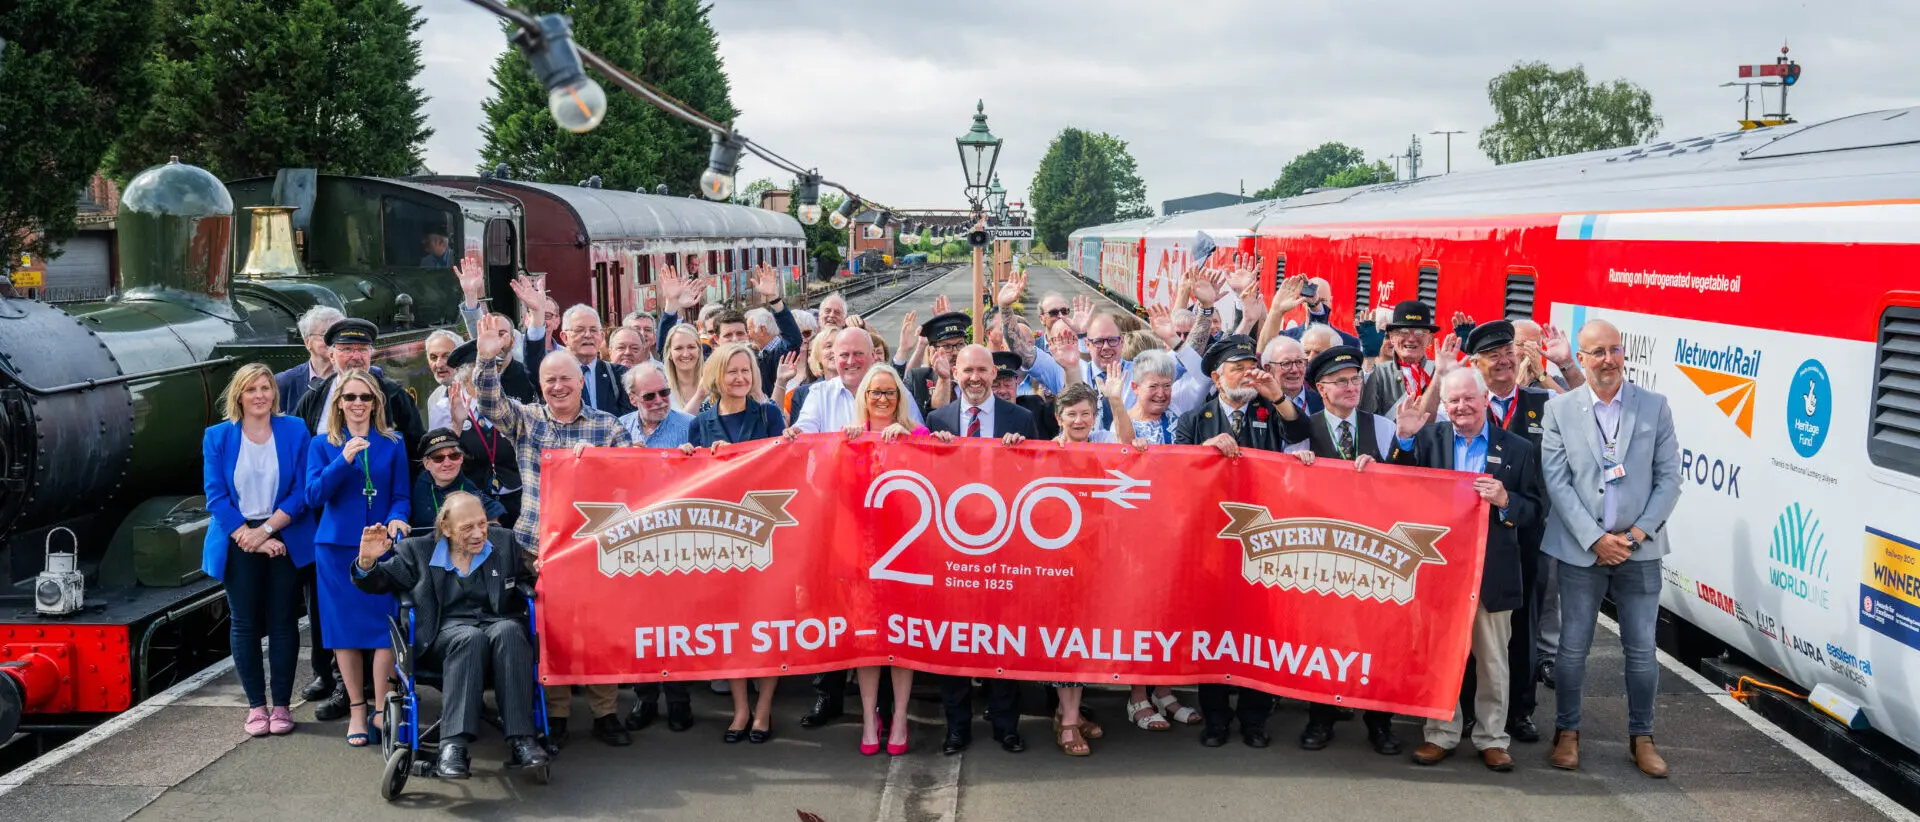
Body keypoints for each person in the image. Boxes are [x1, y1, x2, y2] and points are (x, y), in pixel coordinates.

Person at [472, 313, 634, 748]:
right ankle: (557, 716)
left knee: (599, 632)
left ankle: (605, 714)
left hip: (594, 547)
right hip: (536, 547)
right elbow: (488, 405)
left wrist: (601, 462)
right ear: (541, 386)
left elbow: (637, 477)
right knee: (550, 633)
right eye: (549, 381)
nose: (558, 387)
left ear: (580, 380)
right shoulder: (526, 421)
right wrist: (487, 359)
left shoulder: (607, 426)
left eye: (565, 379)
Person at [1540, 319, 1681, 778]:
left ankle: (1643, 738)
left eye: (1613, 350)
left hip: (1639, 550)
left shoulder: (1654, 407)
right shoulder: (1560, 410)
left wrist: (1636, 536)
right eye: (1596, 352)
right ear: (1580, 359)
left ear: (1624, 354)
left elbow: (1669, 480)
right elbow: (1557, 484)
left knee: (1641, 650)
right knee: (1573, 649)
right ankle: (1567, 733)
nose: (1607, 360)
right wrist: (1596, 539)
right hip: (1583, 550)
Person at [1393, 367, 1542, 772]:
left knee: (1493, 660)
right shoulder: (1427, 439)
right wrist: (1403, 440)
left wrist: (1506, 500)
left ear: (1483, 400)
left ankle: (1492, 738)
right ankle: (1439, 733)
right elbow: (1398, 484)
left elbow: (1534, 510)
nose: (1461, 407)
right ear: (1444, 406)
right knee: (1441, 657)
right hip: (1439, 573)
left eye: (1468, 399)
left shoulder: (1517, 448)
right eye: (1453, 401)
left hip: (1492, 574)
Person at [351, 493, 551, 778]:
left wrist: (541, 569)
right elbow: (378, 581)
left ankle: (522, 740)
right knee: (469, 638)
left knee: (510, 630)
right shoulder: (416, 551)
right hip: (441, 636)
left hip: (494, 627)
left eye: (482, 524)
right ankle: (453, 746)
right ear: (445, 528)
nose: (479, 533)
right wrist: (367, 562)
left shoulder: (503, 542)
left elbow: (530, 579)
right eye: (467, 527)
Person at [1175, 335, 1308, 748]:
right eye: (1238, 368)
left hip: (1263, 542)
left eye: (1254, 367)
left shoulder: (1272, 409)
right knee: (1213, 631)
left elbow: (1302, 431)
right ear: (1217, 377)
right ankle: (1216, 719)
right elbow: (1175, 473)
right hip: (1211, 544)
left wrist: (1277, 395)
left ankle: (1254, 719)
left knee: (1259, 631)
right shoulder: (1195, 420)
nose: (1249, 374)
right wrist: (1204, 450)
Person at [1282, 345, 1406, 755]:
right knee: (1322, 638)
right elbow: (1285, 495)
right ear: (1321, 388)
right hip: (1323, 552)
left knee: (1377, 638)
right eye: (1341, 381)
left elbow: (1406, 488)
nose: (1352, 387)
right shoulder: (1303, 432)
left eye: (1356, 379)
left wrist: (1386, 472)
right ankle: (1320, 719)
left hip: (1374, 552)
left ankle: (1380, 724)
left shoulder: (1383, 428)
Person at [1444, 320, 1556, 744]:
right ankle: (1470, 713)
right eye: (1493, 355)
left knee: (1521, 626)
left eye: (1508, 351)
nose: (1505, 360)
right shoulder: (1463, 404)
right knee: (1470, 632)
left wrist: (1555, 368)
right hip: (1469, 541)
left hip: (1527, 535)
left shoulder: (1542, 402)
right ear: (1476, 364)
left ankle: (1520, 711)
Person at [926, 345, 1036, 756]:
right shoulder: (937, 420)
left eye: (982, 370)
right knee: (954, 640)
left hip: (1005, 547)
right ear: (955, 372)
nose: (974, 378)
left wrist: (1021, 453)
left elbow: (1041, 478)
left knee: (1004, 638)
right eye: (967, 370)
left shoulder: (1021, 419)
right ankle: (956, 728)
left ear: (995, 373)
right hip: (952, 548)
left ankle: (1007, 726)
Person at [680, 343, 786, 743]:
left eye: (746, 371)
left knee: (768, 624)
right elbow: (694, 483)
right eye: (732, 372)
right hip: (722, 537)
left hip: (766, 530)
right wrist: (695, 458)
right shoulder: (700, 424)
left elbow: (782, 469)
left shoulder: (769, 414)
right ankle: (740, 708)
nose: (740, 378)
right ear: (716, 378)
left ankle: (763, 709)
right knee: (732, 625)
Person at [202, 363, 314, 737]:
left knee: (282, 621)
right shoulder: (217, 437)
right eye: (251, 389)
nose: (260, 395)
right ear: (239, 396)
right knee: (245, 623)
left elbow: (302, 490)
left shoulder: (294, 430)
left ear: (274, 393)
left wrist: (266, 531)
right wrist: (247, 536)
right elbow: (215, 495)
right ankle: (256, 706)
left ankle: (281, 705)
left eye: (266, 387)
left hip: (283, 533)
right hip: (238, 540)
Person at [841, 363, 947, 755]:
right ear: (863, 398)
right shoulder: (846, 439)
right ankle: (871, 717)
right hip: (861, 554)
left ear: (900, 398)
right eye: (875, 393)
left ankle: (899, 715)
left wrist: (913, 444)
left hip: (907, 556)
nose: (882, 399)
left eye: (889, 392)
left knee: (903, 637)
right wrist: (846, 447)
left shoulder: (915, 434)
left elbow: (940, 477)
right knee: (868, 640)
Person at [303, 368, 411, 748]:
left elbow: (401, 493)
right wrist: (342, 459)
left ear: (376, 402)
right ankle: (357, 709)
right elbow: (313, 496)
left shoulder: (392, 441)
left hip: (381, 546)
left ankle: (383, 706)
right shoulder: (322, 444)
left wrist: (399, 516)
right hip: (336, 548)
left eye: (365, 397)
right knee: (343, 633)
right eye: (350, 397)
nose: (358, 404)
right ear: (339, 403)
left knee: (384, 628)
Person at [615, 361, 697, 733]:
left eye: (665, 392)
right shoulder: (619, 428)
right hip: (632, 542)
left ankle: (679, 700)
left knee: (675, 625)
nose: (661, 400)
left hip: (676, 539)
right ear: (632, 398)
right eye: (649, 396)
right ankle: (644, 698)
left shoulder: (689, 426)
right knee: (638, 625)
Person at [292, 318, 426, 463]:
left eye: (362, 349)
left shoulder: (394, 396)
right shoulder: (313, 398)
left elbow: (416, 452)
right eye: (347, 349)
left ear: (370, 354)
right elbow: (298, 452)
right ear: (331, 356)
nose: (356, 357)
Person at [513, 276, 633, 417]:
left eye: (593, 330)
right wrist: (537, 314)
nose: (588, 335)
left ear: (601, 337)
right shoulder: (552, 372)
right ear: (564, 337)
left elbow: (628, 421)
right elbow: (533, 361)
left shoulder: (619, 375)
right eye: (579, 330)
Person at [410, 429, 506, 530]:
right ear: (427, 464)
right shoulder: (416, 483)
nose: (447, 463)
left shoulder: (470, 489)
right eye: (438, 458)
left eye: (453, 456)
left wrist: (489, 526)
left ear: (461, 458)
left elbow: (494, 511)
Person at [1359, 300, 1439, 417]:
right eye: (1403, 332)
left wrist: (1471, 351)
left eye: (1419, 332)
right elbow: (1364, 413)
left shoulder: (1440, 372)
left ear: (1430, 339)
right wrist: (1369, 359)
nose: (1411, 339)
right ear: (1392, 338)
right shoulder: (1377, 372)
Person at [276, 306, 353, 413]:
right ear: (308, 342)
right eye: (325, 334)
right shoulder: (285, 382)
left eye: (337, 333)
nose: (333, 340)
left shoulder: (365, 375)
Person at [1262, 336, 1322, 416]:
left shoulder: (1322, 401)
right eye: (1286, 363)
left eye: (1299, 362)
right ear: (1268, 369)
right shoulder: (1257, 403)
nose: (1295, 370)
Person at [423, 330, 463, 431]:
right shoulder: (434, 399)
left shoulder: (479, 393)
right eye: (433, 357)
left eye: (446, 356)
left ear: (462, 357)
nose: (439, 364)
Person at [663, 324, 706, 414]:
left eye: (691, 347)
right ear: (670, 353)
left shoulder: (713, 383)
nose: (685, 354)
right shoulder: (661, 390)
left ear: (699, 350)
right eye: (679, 348)